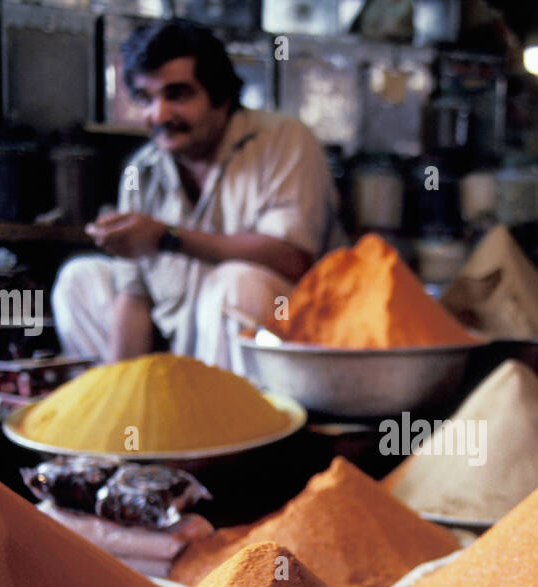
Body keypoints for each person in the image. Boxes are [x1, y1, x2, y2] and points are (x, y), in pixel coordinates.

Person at [53, 19, 343, 369]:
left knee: (237, 284)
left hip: (292, 350)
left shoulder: (283, 139)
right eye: (146, 98)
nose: (158, 114)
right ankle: (138, 413)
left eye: (177, 94)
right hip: (181, 353)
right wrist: (120, 395)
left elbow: (293, 257)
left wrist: (168, 238)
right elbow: (135, 296)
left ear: (220, 97)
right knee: (79, 280)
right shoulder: (142, 172)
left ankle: (234, 421)